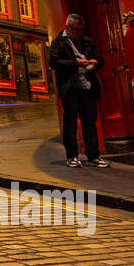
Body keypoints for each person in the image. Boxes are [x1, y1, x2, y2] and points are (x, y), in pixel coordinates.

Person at [48, 13, 108, 168]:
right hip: (70, 89)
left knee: (90, 123)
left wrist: (95, 62)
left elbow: (100, 59)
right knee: (71, 124)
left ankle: (93, 156)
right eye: (77, 30)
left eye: (82, 30)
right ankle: (72, 156)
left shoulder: (87, 41)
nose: (80, 33)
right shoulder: (58, 42)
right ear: (68, 28)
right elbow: (54, 62)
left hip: (88, 87)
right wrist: (76, 63)